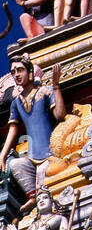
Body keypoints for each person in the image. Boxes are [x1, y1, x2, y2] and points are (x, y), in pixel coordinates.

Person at [0, 55, 66, 206]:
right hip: (32, 157)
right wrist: (2, 156)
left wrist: (56, 86)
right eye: (13, 72)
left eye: (20, 70)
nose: (16, 74)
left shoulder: (46, 92)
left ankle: (42, 199)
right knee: (15, 165)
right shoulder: (16, 103)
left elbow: (60, 114)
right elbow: (12, 129)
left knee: (43, 172)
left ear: (30, 72)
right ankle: (33, 196)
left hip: (50, 154)